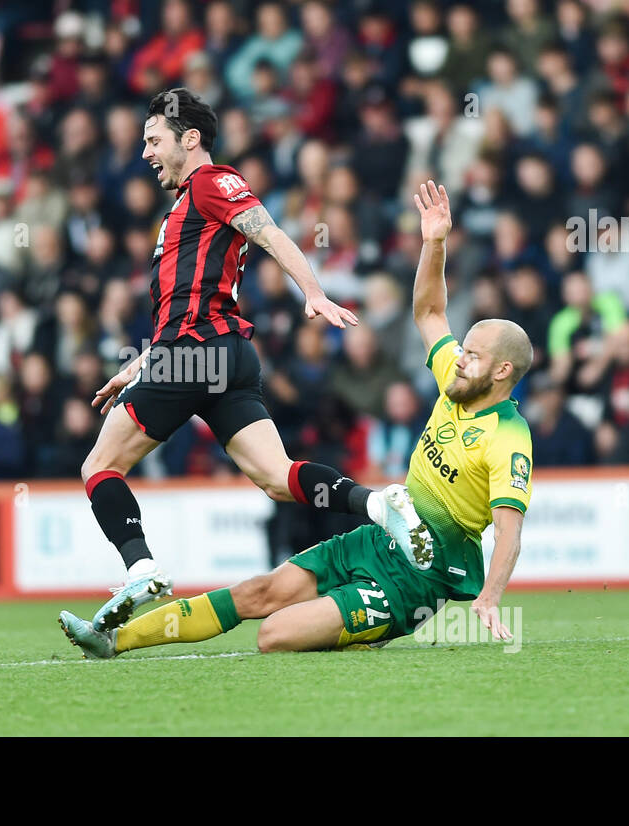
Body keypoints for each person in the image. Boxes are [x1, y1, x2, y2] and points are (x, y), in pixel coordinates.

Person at [60, 180, 534, 656]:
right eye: (464, 349)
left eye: (472, 355)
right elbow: (430, 311)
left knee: (275, 635)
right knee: (258, 594)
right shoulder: (455, 381)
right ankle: (112, 641)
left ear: (502, 370)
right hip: (379, 539)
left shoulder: (509, 438)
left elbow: (508, 529)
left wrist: (491, 597)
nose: (460, 358)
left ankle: (361, 636)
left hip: (423, 576)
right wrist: (434, 243)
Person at [76, 88, 393, 635]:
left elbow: (269, 232)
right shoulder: (186, 204)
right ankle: (382, 506)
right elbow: (188, 301)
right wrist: (135, 367)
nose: (146, 153)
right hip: (222, 357)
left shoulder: (211, 182)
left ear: (189, 139)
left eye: (154, 141)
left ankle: (142, 569)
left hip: (194, 354)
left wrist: (312, 294)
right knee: (276, 476)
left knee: (99, 467)